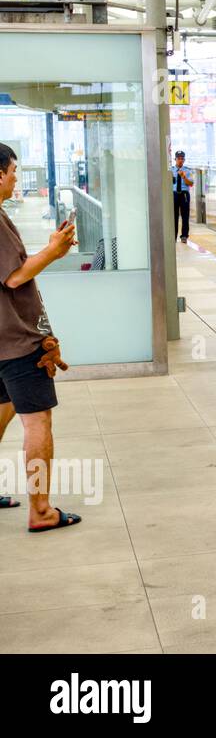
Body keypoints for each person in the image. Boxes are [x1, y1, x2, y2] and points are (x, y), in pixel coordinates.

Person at [0, 143, 78, 528]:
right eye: (13, 171)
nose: (16, 178)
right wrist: (54, 251)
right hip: (15, 341)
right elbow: (14, 277)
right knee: (37, 421)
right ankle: (42, 511)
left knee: (1, 410)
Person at [172, 150, 194, 243]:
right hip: (174, 194)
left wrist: (184, 177)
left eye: (182, 159)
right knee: (174, 216)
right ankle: (174, 236)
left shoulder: (188, 170)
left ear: (184, 160)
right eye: (178, 159)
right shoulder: (171, 170)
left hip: (184, 194)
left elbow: (191, 183)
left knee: (185, 216)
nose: (180, 160)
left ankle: (184, 236)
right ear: (175, 159)